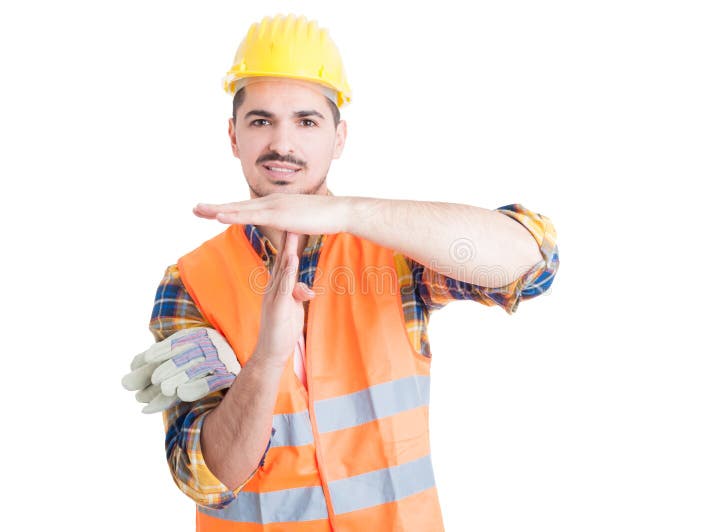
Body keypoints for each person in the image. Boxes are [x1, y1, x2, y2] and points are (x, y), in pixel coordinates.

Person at [123, 14, 559, 531]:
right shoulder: (191, 281)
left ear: (339, 137)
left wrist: (348, 212)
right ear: (233, 136)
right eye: (261, 120)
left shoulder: (393, 251)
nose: (283, 144)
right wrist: (264, 361)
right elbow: (204, 479)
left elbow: (532, 263)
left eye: (307, 122)